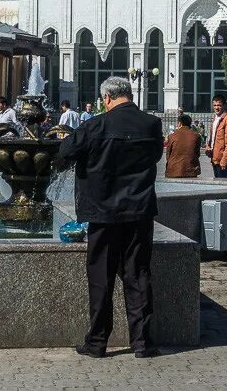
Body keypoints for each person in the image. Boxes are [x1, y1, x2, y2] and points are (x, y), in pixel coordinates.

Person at [60, 76, 164, 359]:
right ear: (129, 94)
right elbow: (155, 156)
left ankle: (97, 342)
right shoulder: (151, 125)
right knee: (138, 274)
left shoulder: (96, 125)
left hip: (103, 214)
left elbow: (66, 151)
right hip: (139, 212)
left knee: (101, 278)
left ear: (106, 98)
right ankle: (142, 343)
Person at [204, 95, 227, 179]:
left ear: (224, 106)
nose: (216, 108)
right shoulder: (215, 119)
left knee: (223, 187)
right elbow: (213, 138)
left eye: (219, 105)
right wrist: (208, 147)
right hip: (215, 158)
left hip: (222, 160)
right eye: (214, 105)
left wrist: (224, 160)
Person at [165, 114, 201, 178]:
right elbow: (197, 153)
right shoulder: (196, 136)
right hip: (191, 170)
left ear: (179, 123)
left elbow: (168, 155)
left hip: (173, 170)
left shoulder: (172, 136)